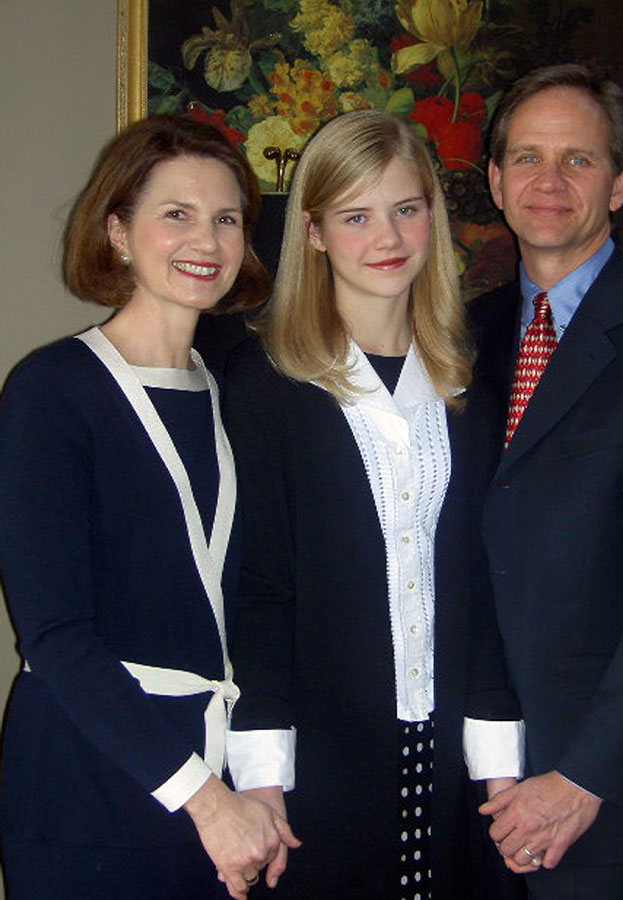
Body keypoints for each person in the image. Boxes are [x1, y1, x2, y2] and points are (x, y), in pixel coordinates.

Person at [222, 109, 524, 900]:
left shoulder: (468, 387)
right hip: (320, 759)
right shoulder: (267, 384)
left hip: (451, 752)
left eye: (407, 207)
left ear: (433, 214)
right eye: (356, 216)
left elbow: (482, 584)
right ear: (314, 232)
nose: (386, 235)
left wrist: (499, 770)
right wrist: (261, 775)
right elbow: (260, 591)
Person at [0, 114, 300, 900]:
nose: (206, 239)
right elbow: (57, 635)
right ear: (118, 232)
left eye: (226, 219)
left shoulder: (234, 397)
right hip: (88, 782)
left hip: (216, 779)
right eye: (177, 214)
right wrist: (206, 801)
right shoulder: (51, 391)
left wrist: (254, 786)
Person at [469, 64, 623, 899]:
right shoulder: (461, 333)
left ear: (621, 182)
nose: (549, 181)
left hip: (598, 800)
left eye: (578, 159)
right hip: (471, 778)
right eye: (527, 157)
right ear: (495, 181)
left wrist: (582, 779)